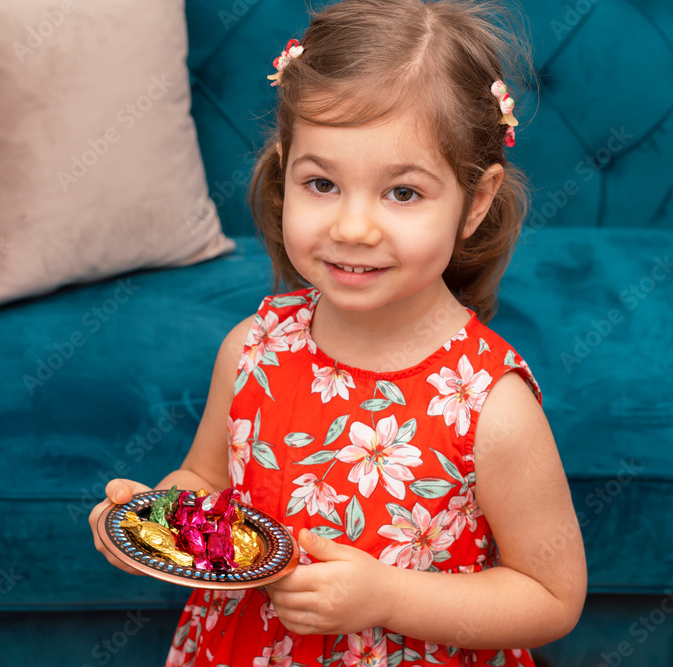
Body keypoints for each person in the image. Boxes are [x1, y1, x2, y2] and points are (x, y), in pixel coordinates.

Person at [89, 0, 587, 664]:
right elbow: (207, 482)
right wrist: (153, 522)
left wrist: (386, 597)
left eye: (402, 193)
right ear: (284, 171)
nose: (353, 227)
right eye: (322, 183)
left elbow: (550, 595)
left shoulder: (488, 406)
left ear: (475, 201)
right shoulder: (252, 350)